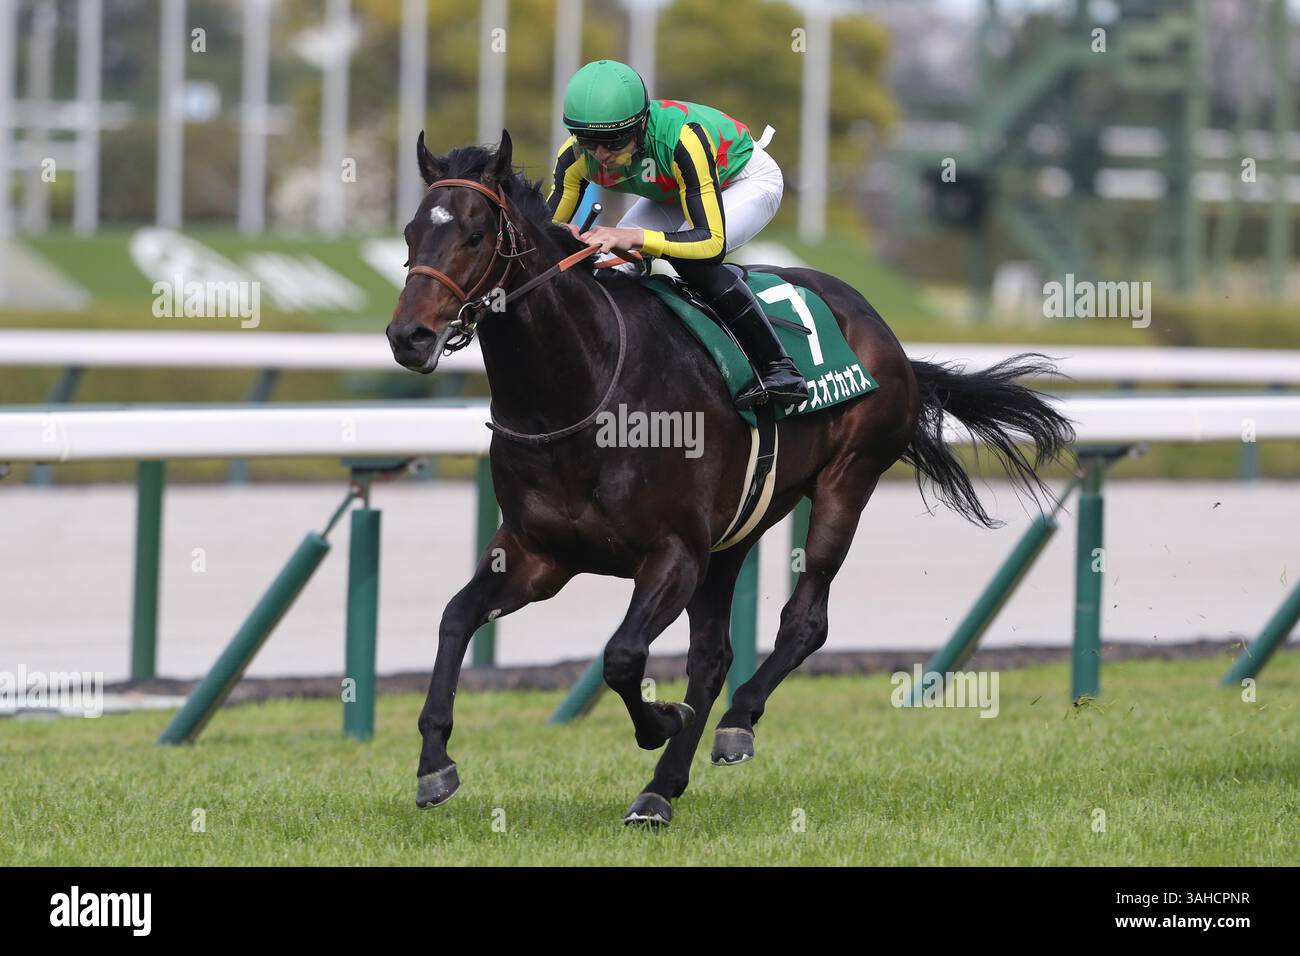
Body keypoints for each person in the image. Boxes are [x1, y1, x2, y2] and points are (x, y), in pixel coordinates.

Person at [545, 59, 807, 409]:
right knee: (610, 263)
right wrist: (564, 238)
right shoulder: (574, 157)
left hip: (744, 180)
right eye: (589, 141)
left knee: (690, 260)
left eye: (613, 141)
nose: (601, 155)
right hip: (675, 191)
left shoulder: (685, 140)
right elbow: (542, 234)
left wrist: (636, 238)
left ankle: (779, 367)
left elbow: (710, 243)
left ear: (641, 125)